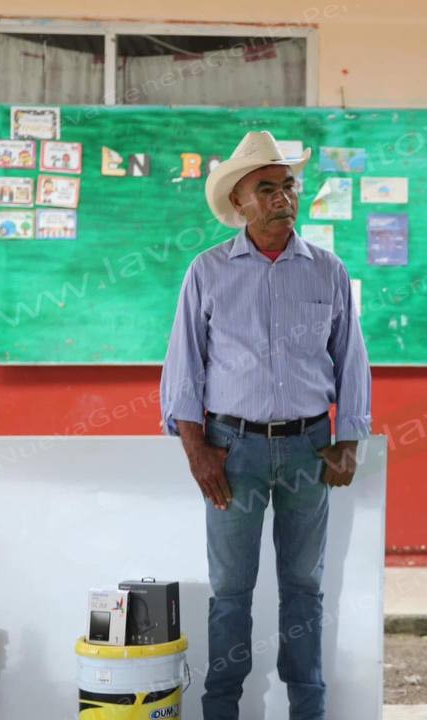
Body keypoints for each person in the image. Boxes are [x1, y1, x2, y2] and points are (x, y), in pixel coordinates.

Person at [159, 130, 371, 720]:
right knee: (231, 591)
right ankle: (221, 709)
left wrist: (348, 439)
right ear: (239, 202)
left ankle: (309, 709)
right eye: (267, 188)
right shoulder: (208, 271)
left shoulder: (327, 270)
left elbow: (351, 358)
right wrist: (197, 450)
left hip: (309, 447)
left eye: (289, 186)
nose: (283, 197)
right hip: (232, 450)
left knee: (304, 588)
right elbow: (184, 365)